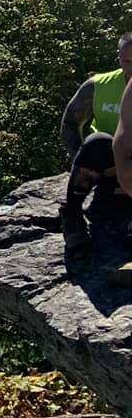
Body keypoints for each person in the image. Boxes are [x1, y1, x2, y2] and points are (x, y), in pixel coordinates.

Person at [63, 35, 132, 258]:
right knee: (98, 141)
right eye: (127, 60)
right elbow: (70, 124)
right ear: (119, 58)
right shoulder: (99, 86)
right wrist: (81, 163)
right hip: (106, 167)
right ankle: (72, 216)